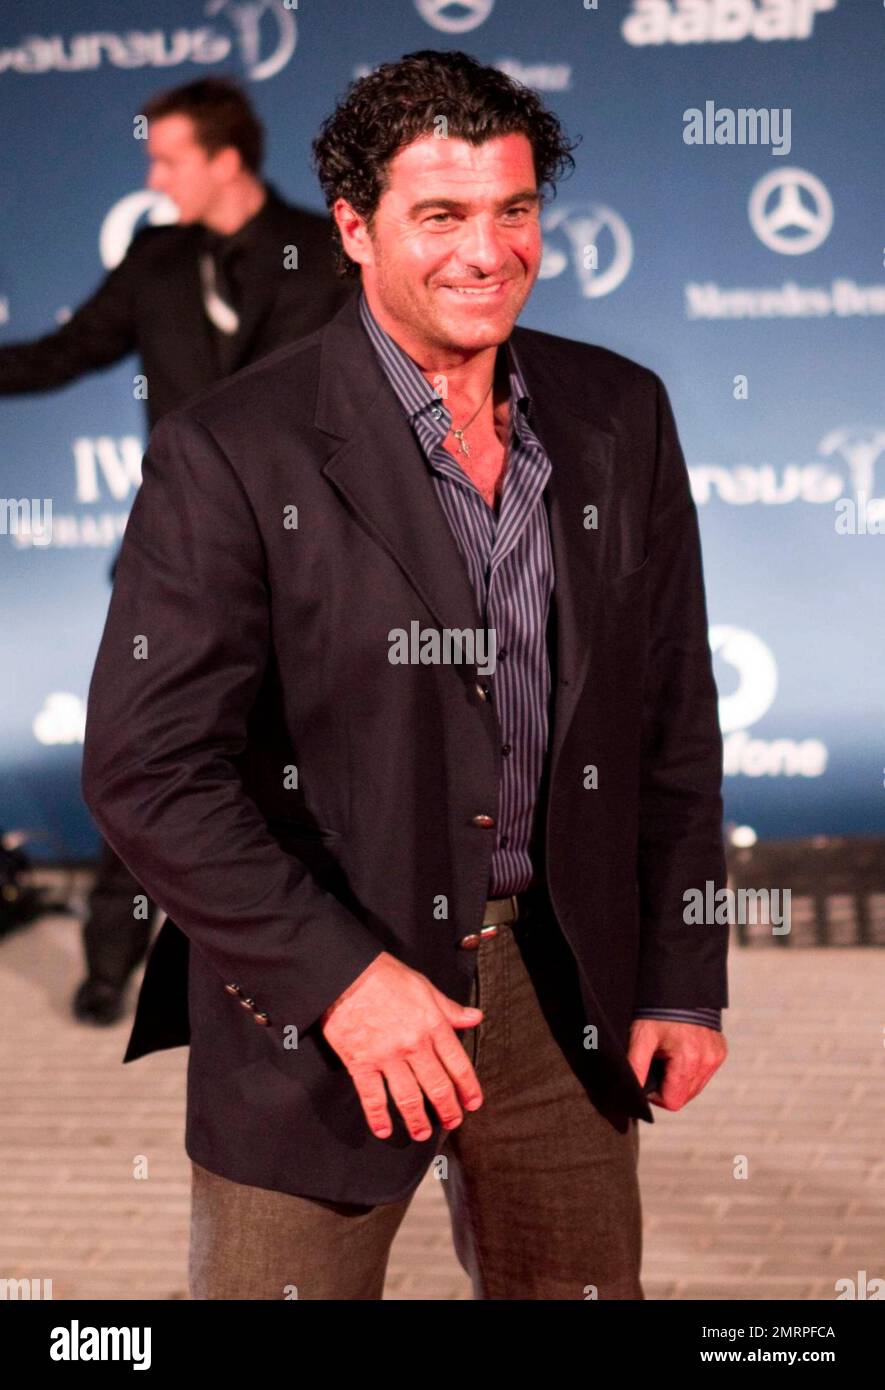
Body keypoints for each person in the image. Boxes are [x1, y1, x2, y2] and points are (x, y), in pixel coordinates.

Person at [81, 49, 729, 1300]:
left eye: (514, 209)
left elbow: (670, 716)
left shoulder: (621, 411)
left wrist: (683, 974)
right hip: (321, 1002)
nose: (488, 252)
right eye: (441, 215)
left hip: (562, 989)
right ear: (353, 229)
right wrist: (341, 981)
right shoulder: (232, 449)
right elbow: (146, 768)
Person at [0, 76, 353, 1025]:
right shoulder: (155, 259)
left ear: (225, 160)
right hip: (181, 552)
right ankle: (110, 963)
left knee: (314, 760)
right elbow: (62, 354)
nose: (154, 179)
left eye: (166, 159)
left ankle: (324, 957)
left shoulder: (322, 250)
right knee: (153, 750)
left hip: (310, 557)